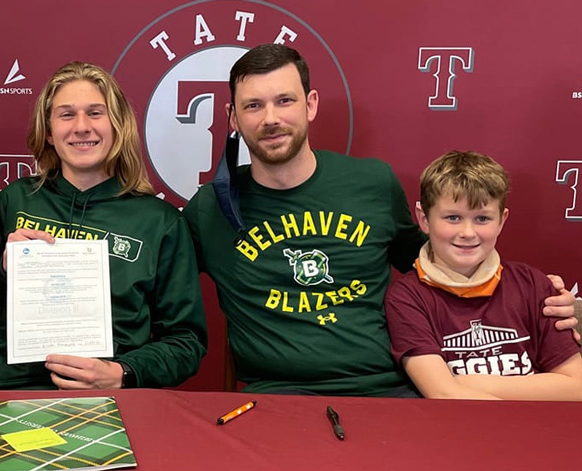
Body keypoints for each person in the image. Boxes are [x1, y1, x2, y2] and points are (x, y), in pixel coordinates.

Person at [182, 43, 578, 396]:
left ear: (311, 104)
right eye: (253, 106)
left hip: (388, 388)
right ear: (233, 118)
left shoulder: (372, 183)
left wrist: (533, 296)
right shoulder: (211, 207)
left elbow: (437, 267)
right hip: (278, 395)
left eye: (285, 100)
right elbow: (160, 280)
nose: (271, 118)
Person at [0, 61, 208, 390]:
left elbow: (186, 341)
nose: (82, 127)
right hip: (9, 388)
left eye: (95, 113)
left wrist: (123, 372)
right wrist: (1, 269)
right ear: (49, 132)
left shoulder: (160, 222)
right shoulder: (15, 201)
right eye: (67, 115)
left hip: (109, 398)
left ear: (117, 125)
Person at [384, 151, 582, 400]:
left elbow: (577, 386)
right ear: (424, 219)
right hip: (459, 423)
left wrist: (471, 383)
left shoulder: (533, 284)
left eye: (482, 218)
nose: (468, 232)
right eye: (453, 217)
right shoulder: (407, 297)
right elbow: (442, 393)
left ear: (501, 220)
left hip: (532, 422)